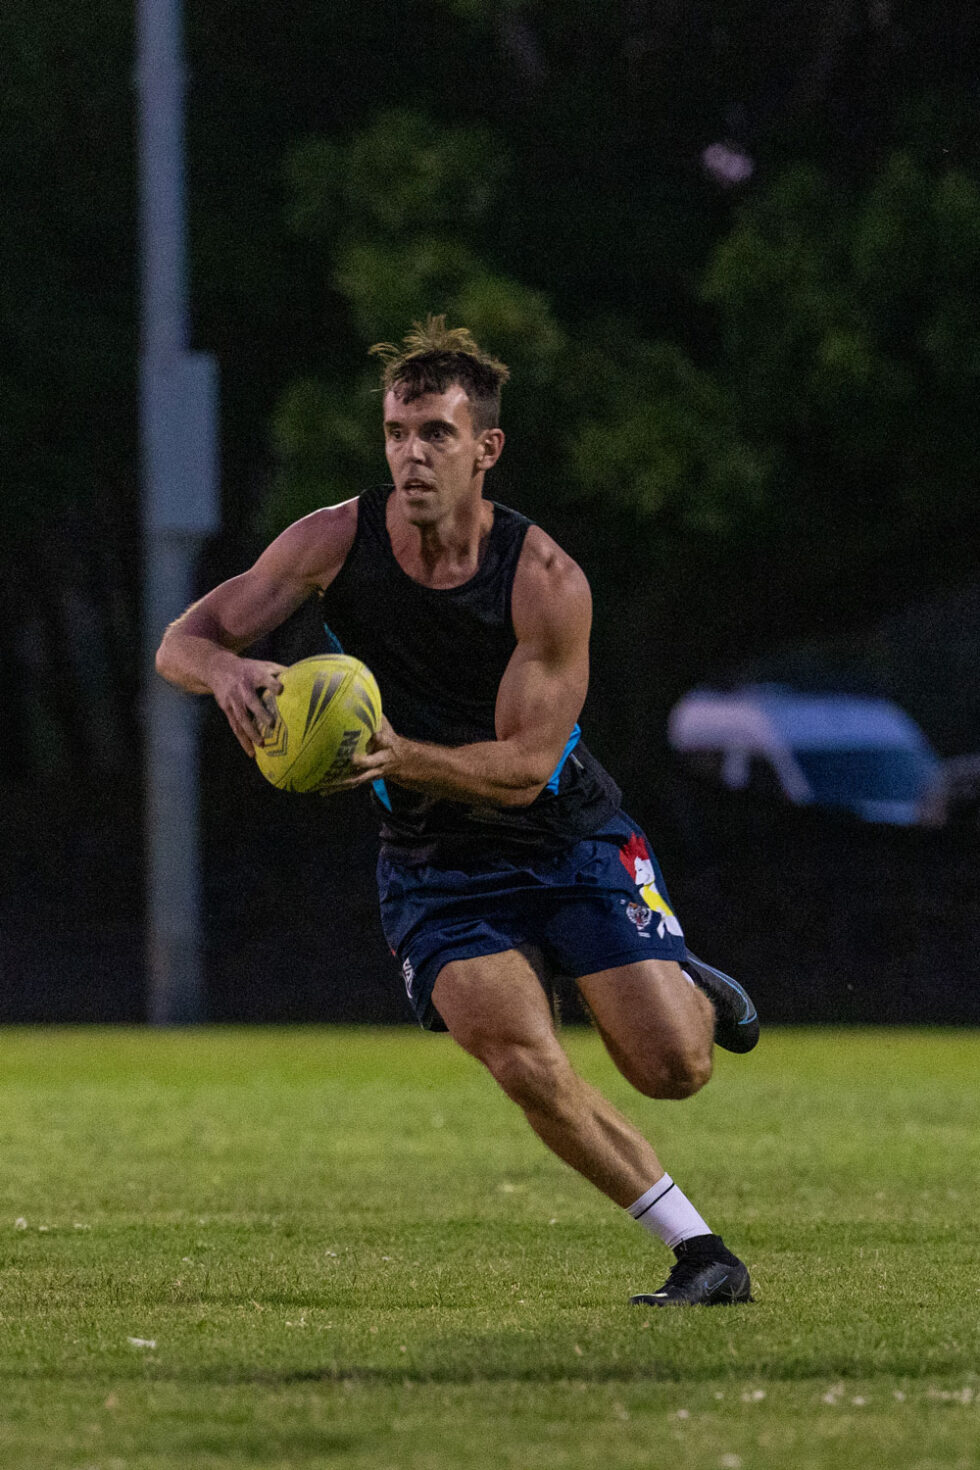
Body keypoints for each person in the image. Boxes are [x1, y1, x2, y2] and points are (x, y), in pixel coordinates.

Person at [156, 317, 759, 1307]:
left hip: (565, 837)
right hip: (435, 862)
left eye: (436, 433)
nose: (411, 455)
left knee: (672, 1069)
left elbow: (524, 768)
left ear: (486, 448)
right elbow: (181, 640)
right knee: (522, 1060)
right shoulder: (333, 539)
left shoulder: (544, 580)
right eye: (397, 433)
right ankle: (702, 1254)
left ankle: (687, 982)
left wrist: (399, 756)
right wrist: (224, 670)